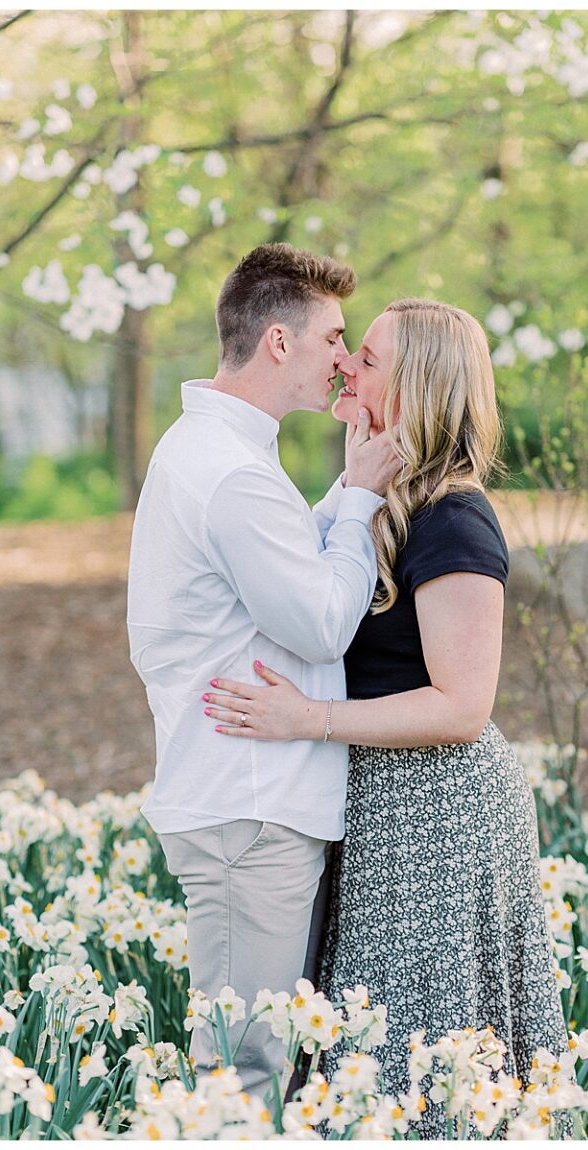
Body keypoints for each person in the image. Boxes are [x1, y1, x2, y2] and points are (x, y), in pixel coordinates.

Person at [203, 298, 568, 1132]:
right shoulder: (378, 500)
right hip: (379, 803)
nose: (344, 365)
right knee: (373, 1040)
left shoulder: (453, 518)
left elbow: (463, 706)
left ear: (416, 387)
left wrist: (310, 719)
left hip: (439, 811)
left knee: (416, 1050)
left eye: (366, 358)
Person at [127, 243, 399, 1098]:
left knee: (255, 1062)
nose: (344, 361)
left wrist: (344, 493)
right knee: (244, 1074)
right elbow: (319, 622)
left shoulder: (217, 453)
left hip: (245, 802)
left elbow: (282, 561)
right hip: (248, 811)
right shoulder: (232, 472)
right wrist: (361, 501)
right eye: (334, 338)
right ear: (280, 341)